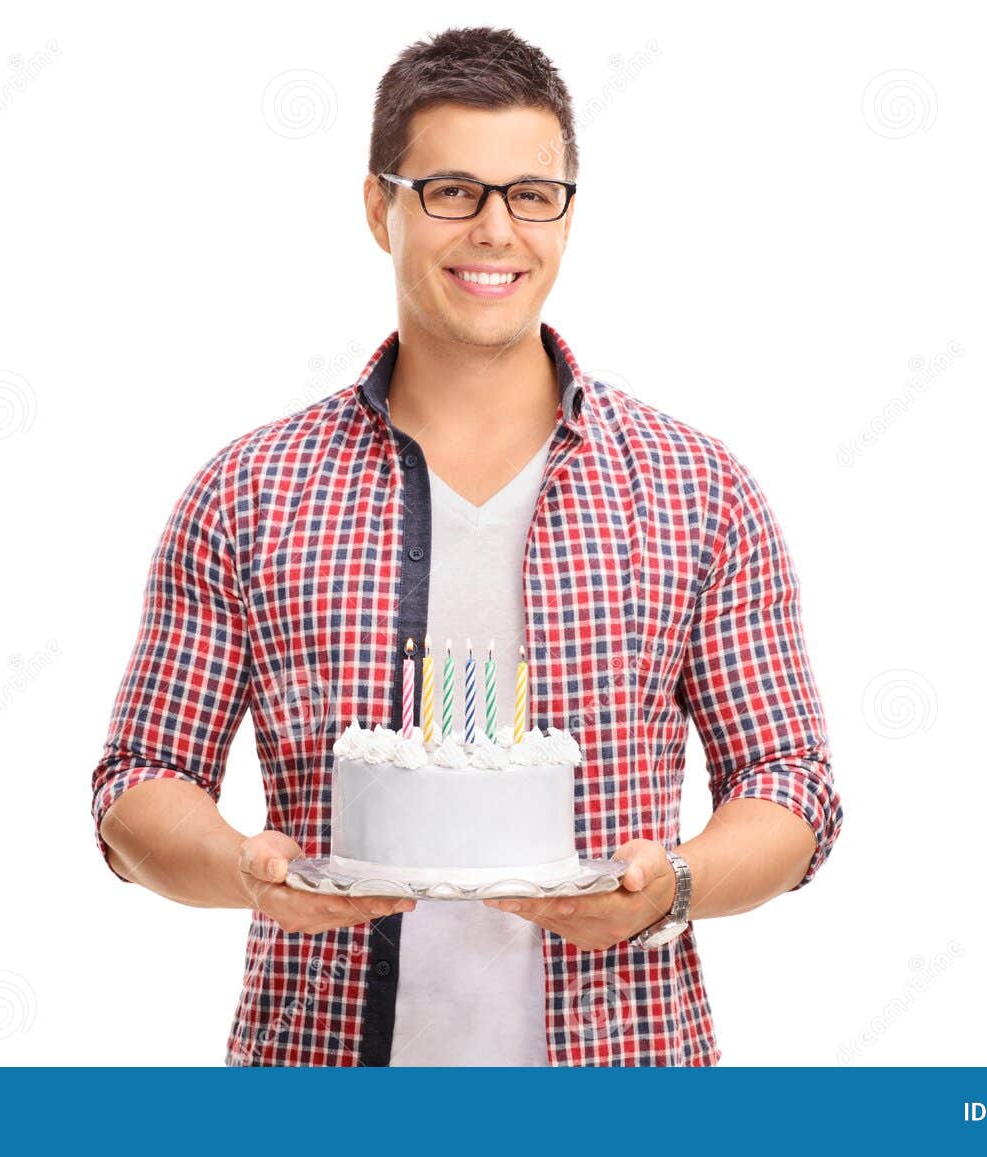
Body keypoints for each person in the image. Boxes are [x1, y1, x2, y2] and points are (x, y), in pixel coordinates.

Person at [90, 25, 845, 1066]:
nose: (496, 230)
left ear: (567, 214)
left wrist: (670, 885)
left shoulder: (696, 489)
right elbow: (140, 778)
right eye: (451, 190)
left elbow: (789, 780)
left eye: (532, 194)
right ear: (378, 206)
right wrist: (241, 867)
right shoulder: (249, 491)